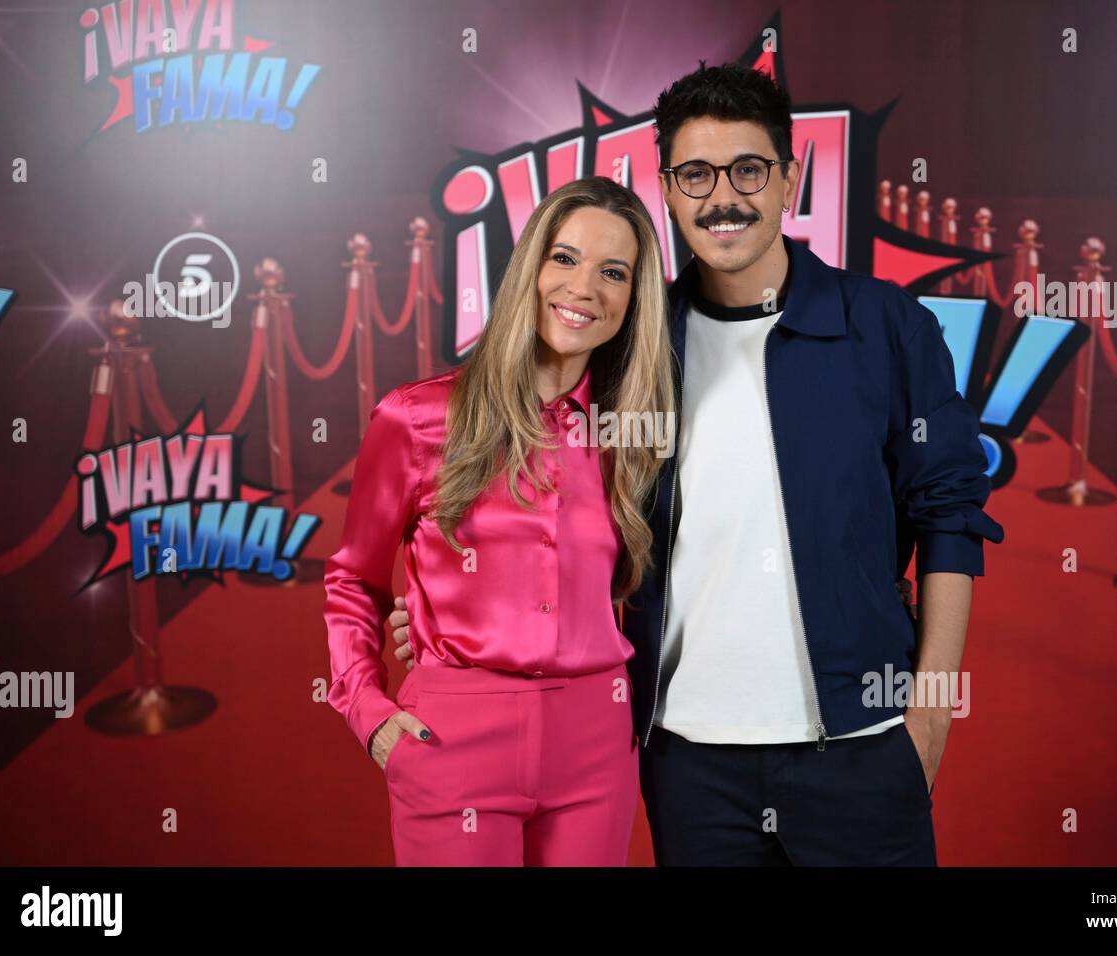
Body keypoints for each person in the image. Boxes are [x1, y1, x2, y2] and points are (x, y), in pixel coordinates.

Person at [392, 61, 1004, 866]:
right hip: (686, 762)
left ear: (789, 179)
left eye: (749, 169)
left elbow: (950, 516)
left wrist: (926, 718)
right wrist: (451, 609)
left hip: (862, 748)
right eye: (695, 174)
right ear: (670, 192)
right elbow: (543, 504)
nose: (724, 197)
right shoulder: (635, 346)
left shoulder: (886, 326)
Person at [324, 175, 675, 866]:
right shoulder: (417, 418)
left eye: (614, 272)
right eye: (565, 257)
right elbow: (351, 582)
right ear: (530, 267)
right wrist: (369, 715)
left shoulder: (632, 434)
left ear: (634, 300)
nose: (584, 289)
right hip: (453, 741)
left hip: (597, 745)